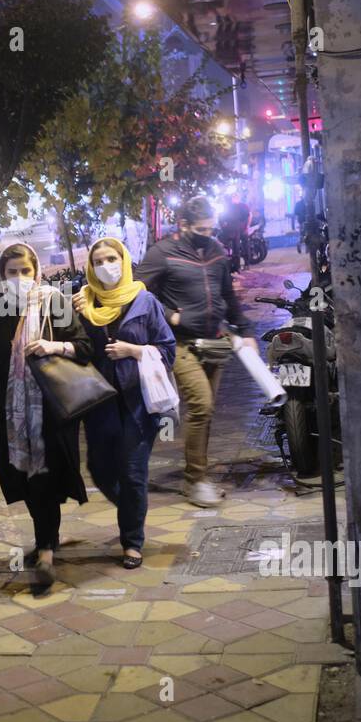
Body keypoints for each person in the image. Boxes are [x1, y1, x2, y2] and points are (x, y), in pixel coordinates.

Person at [0, 242, 92, 589]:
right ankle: (48, 535)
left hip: (49, 410)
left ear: (37, 271)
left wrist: (54, 345)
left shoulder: (53, 303)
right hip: (10, 414)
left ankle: (45, 550)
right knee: (24, 478)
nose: (19, 278)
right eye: (11, 272)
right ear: (2, 276)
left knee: (45, 477)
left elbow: (84, 346)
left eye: (25, 271)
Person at [135, 196, 251, 508]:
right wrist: (171, 315)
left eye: (212, 229)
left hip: (214, 341)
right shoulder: (162, 254)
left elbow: (228, 294)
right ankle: (195, 479)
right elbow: (137, 291)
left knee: (207, 409)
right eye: (201, 229)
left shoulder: (216, 251)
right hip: (179, 343)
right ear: (183, 225)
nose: (208, 235)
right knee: (201, 404)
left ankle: (198, 475)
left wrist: (246, 329)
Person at [76, 237, 175, 568]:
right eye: (98, 261)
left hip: (137, 403)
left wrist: (133, 351)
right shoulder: (83, 304)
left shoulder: (145, 301)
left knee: (133, 473)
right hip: (99, 402)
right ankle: (133, 510)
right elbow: (77, 346)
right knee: (99, 469)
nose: (106, 266)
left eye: (111, 258)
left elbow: (168, 349)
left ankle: (132, 541)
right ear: (91, 267)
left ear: (124, 259)